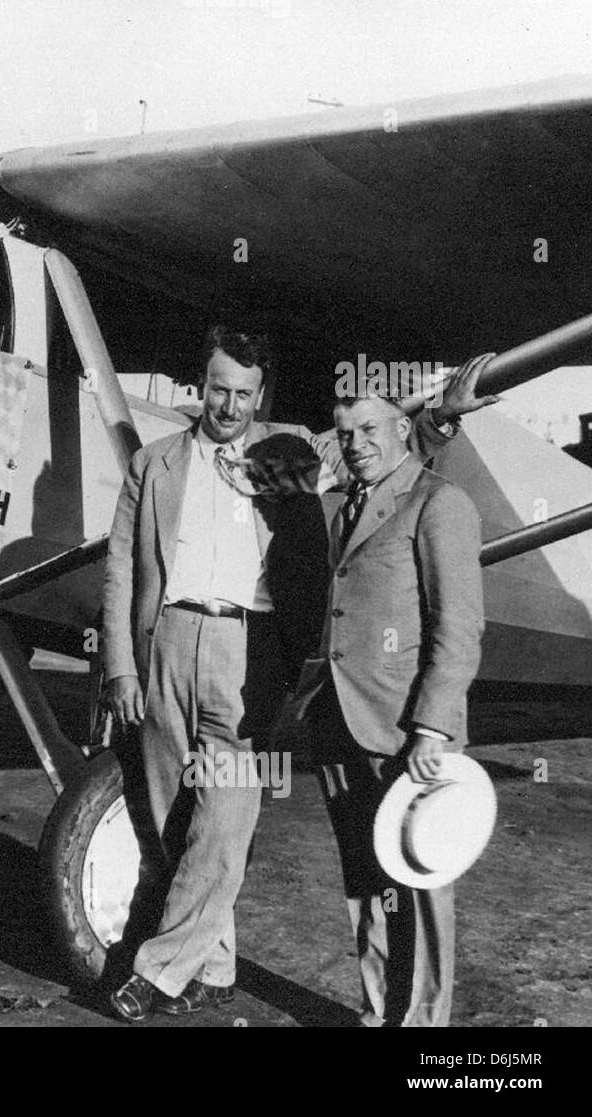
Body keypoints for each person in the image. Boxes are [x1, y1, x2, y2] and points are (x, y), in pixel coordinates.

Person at [101, 326, 491, 1022]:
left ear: (260, 397)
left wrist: (444, 415)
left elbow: (390, 451)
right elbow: (124, 566)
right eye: (219, 388)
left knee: (239, 821)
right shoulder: (171, 464)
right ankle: (219, 969)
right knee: (188, 823)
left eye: (244, 393)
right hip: (192, 654)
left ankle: (160, 970)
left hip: (264, 663)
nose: (229, 404)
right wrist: (121, 668)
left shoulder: (277, 461)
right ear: (201, 386)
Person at [288, 371, 488, 1027]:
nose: (355, 443)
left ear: (403, 426)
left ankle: (424, 1024)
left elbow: (459, 628)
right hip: (342, 717)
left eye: (370, 428)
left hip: (407, 731)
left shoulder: (439, 502)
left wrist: (432, 728)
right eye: (345, 434)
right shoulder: (350, 500)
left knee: (418, 886)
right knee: (365, 881)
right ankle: (379, 1011)